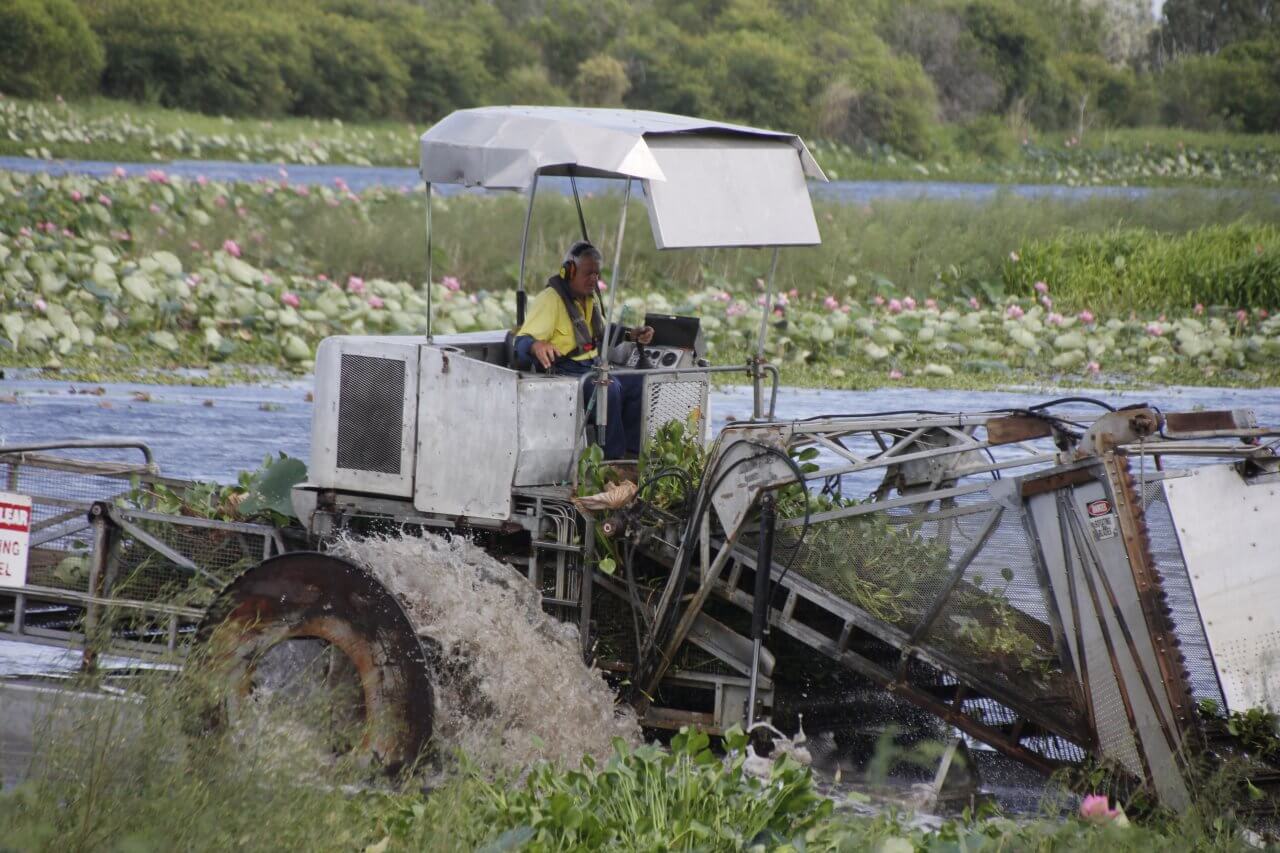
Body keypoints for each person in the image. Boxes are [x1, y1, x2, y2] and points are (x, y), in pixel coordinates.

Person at [513, 241, 654, 459]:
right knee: (609, 388)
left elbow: (603, 332)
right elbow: (520, 341)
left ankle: (632, 456)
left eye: (597, 274)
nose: (594, 279)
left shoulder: (590, 299)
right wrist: (536, 344)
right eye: (588, 273)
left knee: (640, 381)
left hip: (592, 368)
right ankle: (612, 462)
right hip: (566, 372)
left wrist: (631, 334)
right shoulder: (550, 300)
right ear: (569, 270)